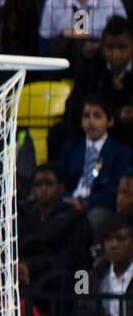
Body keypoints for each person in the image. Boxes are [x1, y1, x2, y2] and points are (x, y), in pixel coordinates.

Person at [19, 163, 93, 316]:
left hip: (66, 277)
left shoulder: (74, 217)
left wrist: (33, 266)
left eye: (49, 184)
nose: (43, 189)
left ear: (60, 187)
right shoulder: (21, 217)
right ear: (31, 189)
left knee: (70, 279)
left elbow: (75, 258)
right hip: (26, 279)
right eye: (38, 184)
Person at [53, 14, 133, 153]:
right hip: (96, 134)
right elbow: (73, 107)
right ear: (102, 46)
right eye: (109, 47)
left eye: (121, 47)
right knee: (58, 133)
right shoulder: (92, 68)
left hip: (127, 137)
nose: (115, 54)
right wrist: (113, 115)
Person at [55, 92, 132, 228]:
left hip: (100, 207)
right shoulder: (70, 147)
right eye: (86, 116)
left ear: (110, 121)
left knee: (93, 218)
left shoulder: (120, 151)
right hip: (69, 203)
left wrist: (86, 203)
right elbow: (60, 181)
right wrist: (69, 199)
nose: (90, 121)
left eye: (97, 116)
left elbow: (117, 190)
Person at [69, 215, 133, 316]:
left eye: (120, 239)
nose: (114, 245)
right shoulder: (95, 275)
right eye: (109, 239)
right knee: (86, 314)